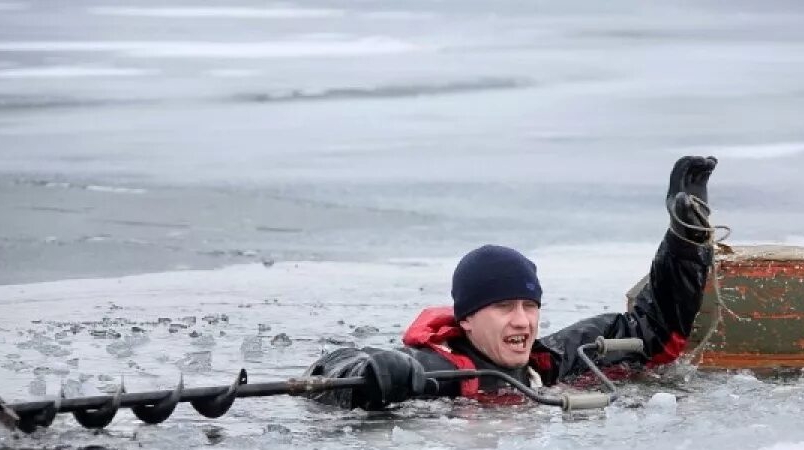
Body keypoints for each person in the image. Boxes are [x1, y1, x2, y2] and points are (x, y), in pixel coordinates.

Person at [305, 156, 717, 409]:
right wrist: (368, 374)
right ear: (465, 319)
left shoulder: (551, 361)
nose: (522, 320)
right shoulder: (434, 372)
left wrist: (685, 242)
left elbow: (655, 332)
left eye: (529, 305)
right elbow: (328, 369)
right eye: (504, 307)